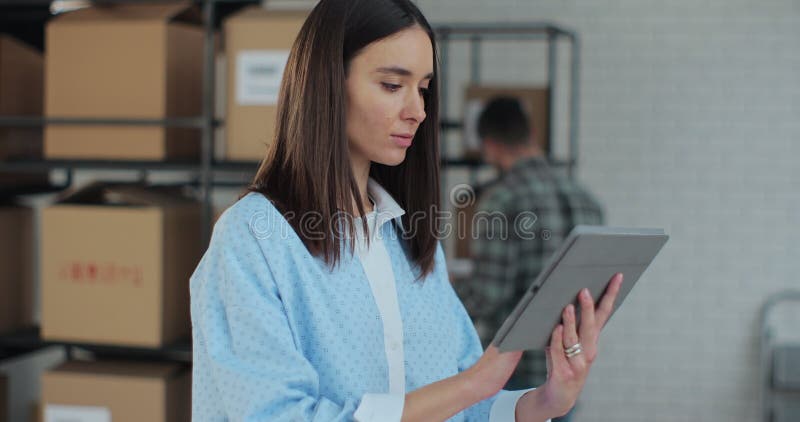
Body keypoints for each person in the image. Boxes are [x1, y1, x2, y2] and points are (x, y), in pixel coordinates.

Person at [190, 1, 622, 421]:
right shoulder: (252, 238)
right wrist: (472, 384)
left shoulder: (408, 239)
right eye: (393, 86)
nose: (418, 112)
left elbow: (463, 407)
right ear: (327, 84)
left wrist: (545, 402)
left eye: (423, 90)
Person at [454, 97, 605, 421]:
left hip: (514, 372)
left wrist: (442, 294)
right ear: (531, 133)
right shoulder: (586, 199)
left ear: (489, 146)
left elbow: (487, 295)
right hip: (566, 367)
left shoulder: (503, 199)